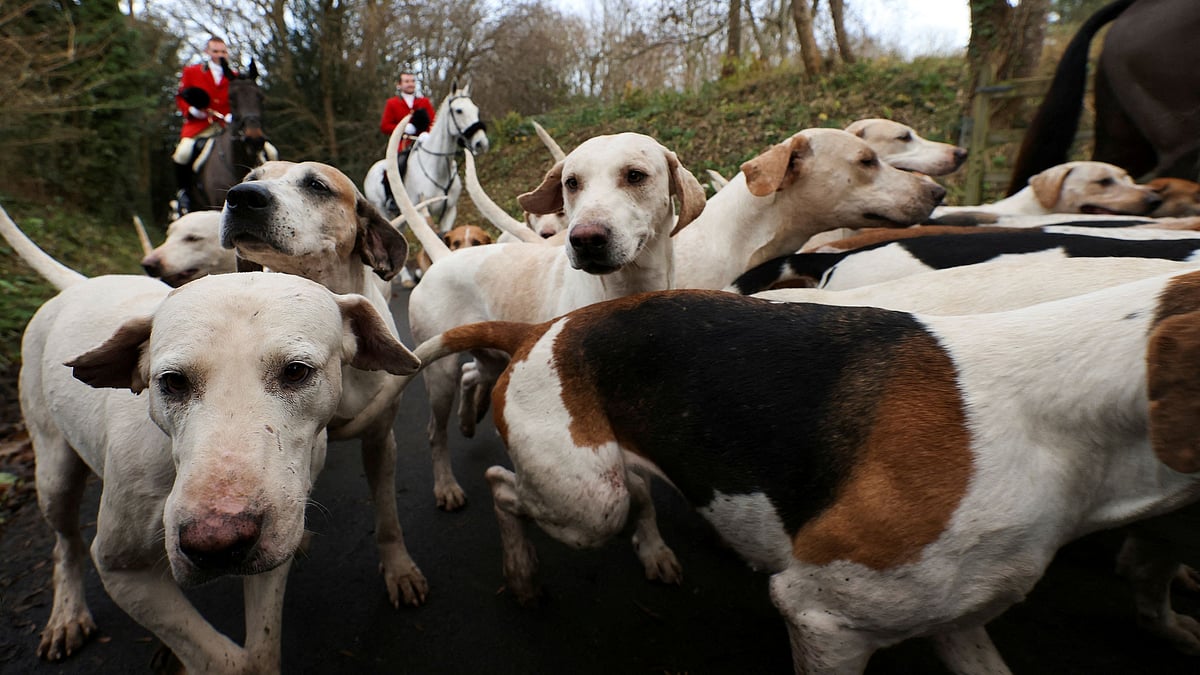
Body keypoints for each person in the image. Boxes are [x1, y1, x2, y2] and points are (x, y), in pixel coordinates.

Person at [172, 36, 235, 214]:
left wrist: (233, 115)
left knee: (269, 150)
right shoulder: (192, 72)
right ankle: (183, 194)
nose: (220, 55)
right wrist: (192, 110)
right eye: (215, 51)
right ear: (207, 52)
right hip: (200, 126)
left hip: (226, 126)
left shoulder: (234, 76)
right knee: (182, 154)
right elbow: (180, 96)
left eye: (223, 51)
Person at [378, 72, 437, 211]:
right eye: (406, 81)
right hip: (403, 144)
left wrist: (427, 133)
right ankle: (391, 198)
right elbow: (385, 126)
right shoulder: (392, 103)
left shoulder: (424, 102)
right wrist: (404, 129)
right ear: (399, 85)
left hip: (424, 142)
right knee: (396, 165)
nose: (410, 84)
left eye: (412, 81)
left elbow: (433, 121)